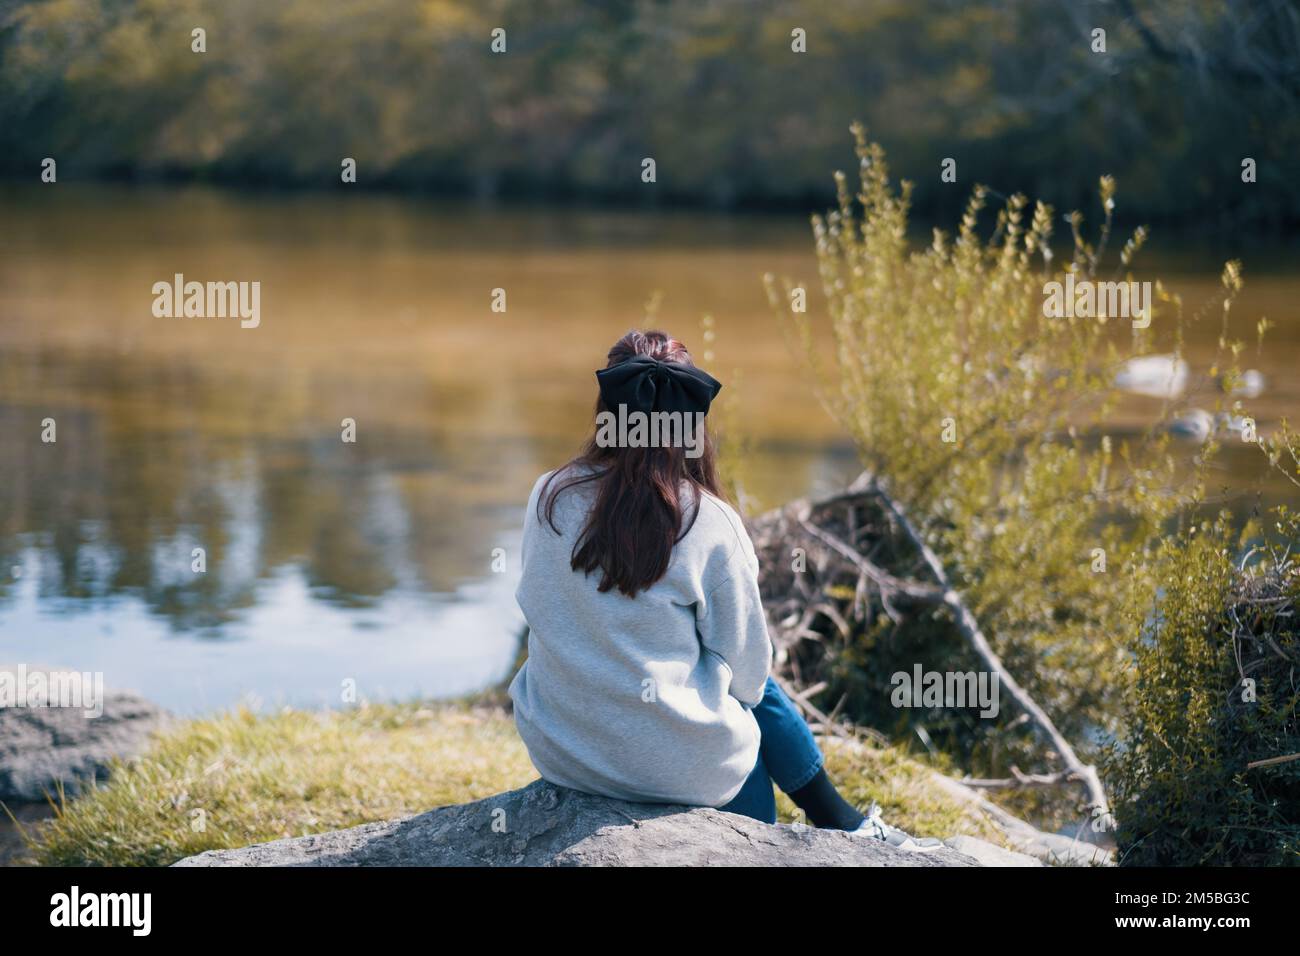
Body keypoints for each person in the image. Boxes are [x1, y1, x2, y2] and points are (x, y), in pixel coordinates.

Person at [508, 329, 941, 850]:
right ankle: (840, 823)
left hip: (566, 752)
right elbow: (751, 673)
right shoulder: (709, 524)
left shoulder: (547, 497)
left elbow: (537, 605)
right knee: (757, 695)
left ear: (606, 409)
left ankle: (840, 820)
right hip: (679, 771)